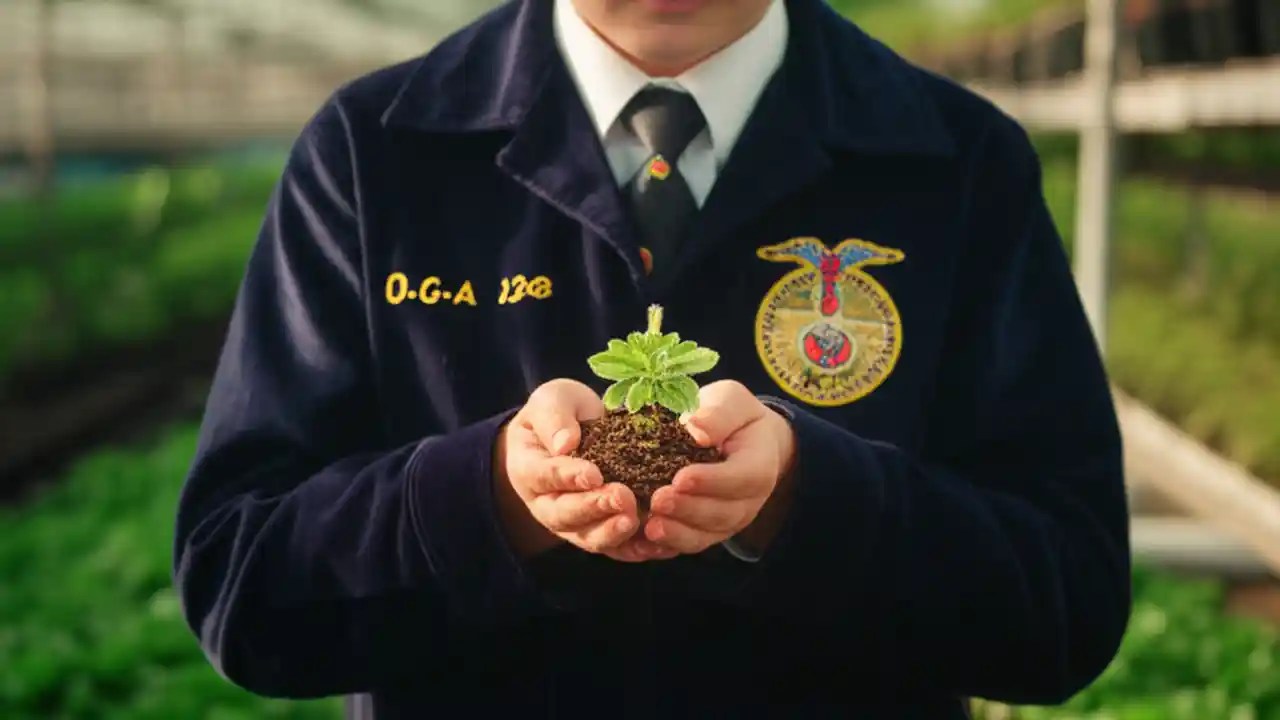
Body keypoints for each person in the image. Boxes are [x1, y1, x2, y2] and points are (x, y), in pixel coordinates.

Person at [172, 0, 1132, 716]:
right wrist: (489, 496)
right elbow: (243, 585)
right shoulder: (375, 154)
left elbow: (1066, 604)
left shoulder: (955, 163)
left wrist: (813, 498)